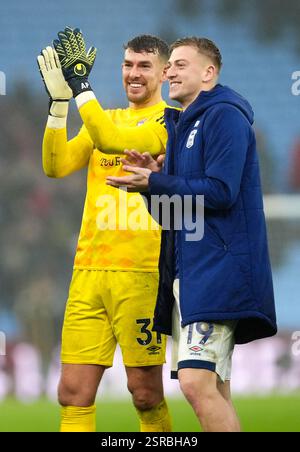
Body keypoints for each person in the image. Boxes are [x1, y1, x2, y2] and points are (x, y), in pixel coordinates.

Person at [106, 37, 277, 432]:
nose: (170, 72)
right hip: (191, 272)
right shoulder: (182, 127)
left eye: (181, 65)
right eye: (170, 66)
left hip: (219, 270)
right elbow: (174, 212)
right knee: (214, 387)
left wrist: (159, 181)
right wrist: (151, 185)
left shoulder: (224, 117)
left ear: (209, 73)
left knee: (195, 383)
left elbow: (221, 190)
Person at [37, 30, 173, 432]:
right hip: (88, 274)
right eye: (128, 64)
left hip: (141, 276)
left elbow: (114, 141)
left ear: (165, 73)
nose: (134, 74)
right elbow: (56, 165)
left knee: (145, 394)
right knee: (72, 393)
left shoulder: (171, 122)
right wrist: (60, 103)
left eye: (144, 66)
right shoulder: (106, 119)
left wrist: (81, 84)